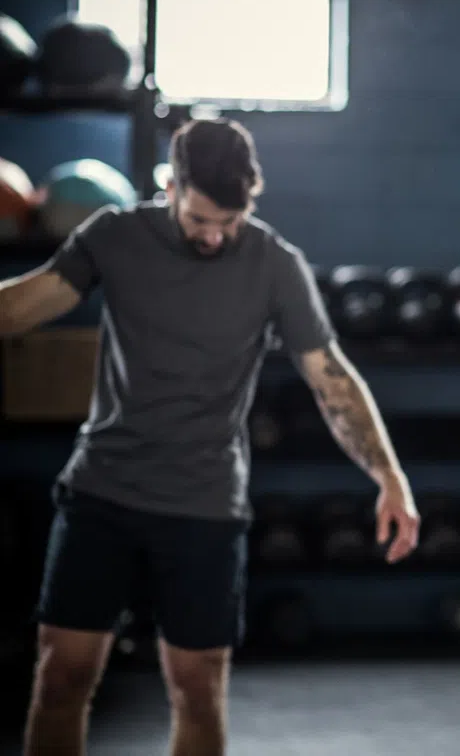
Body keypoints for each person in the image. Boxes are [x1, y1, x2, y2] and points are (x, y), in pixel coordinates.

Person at [0, 118, 421, 756]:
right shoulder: (114, 236)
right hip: (101, 493)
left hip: (203, 504)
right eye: (201, 219)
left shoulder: (274, 263)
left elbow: (330, 377)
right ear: (171, 187)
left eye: (231, 219)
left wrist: (388, 475)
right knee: (62, 675)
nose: (217, 235)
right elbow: (23, 307)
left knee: (198, 687)